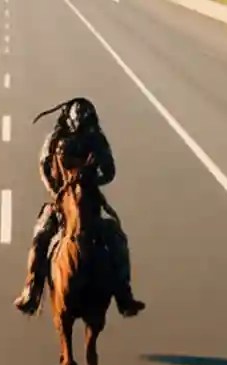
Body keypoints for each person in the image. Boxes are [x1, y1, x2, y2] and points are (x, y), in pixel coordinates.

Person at [13, 97, 146, 317]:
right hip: (61, 200)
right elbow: (44, 168)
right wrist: (57, 192)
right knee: (41, 236)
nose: (86, 131)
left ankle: (124, 294)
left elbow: (110, 171)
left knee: (117, 237)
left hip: (90, 200)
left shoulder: (97, 139)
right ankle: (31, 289)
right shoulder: (55, 139)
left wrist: (91, 180)